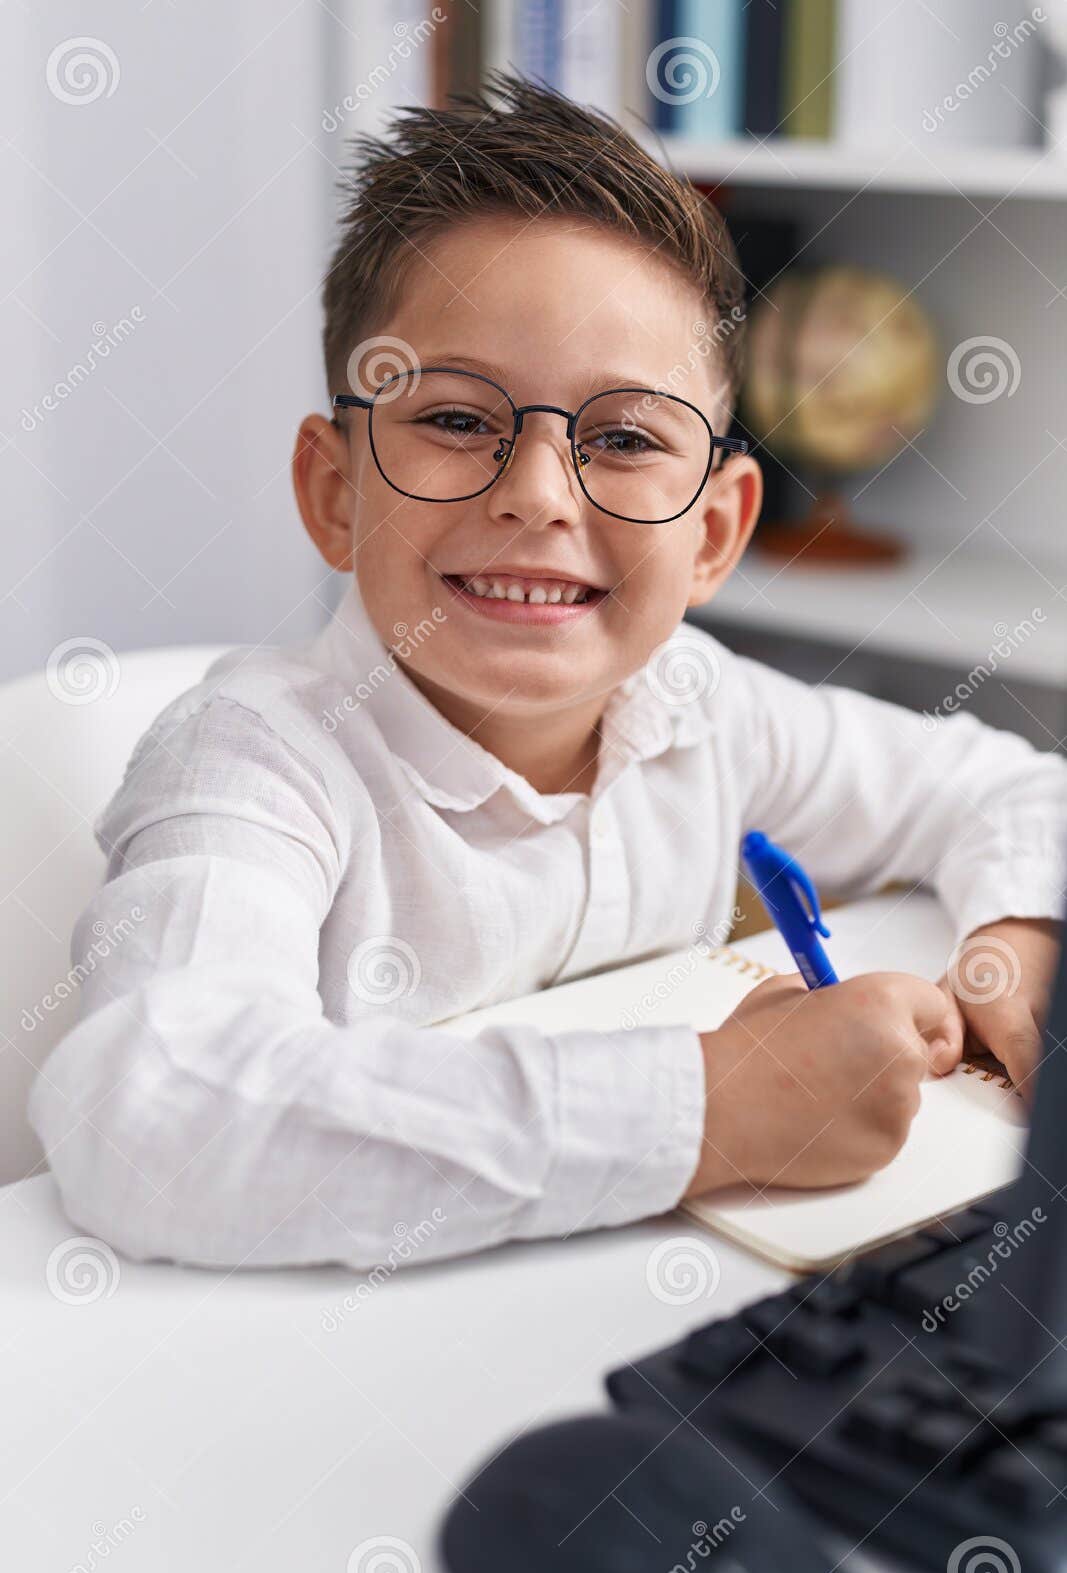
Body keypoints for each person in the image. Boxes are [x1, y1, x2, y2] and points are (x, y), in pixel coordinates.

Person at [29, 74, 1066, 1270]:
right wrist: (714, 1107)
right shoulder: (252, 757)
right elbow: (156, 1114)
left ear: (713, 534)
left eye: (622, 438)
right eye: (456, 419)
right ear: (334, 492)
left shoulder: (698, 703)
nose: (535, 495)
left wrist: (1012, 936)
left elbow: (1008, 787)